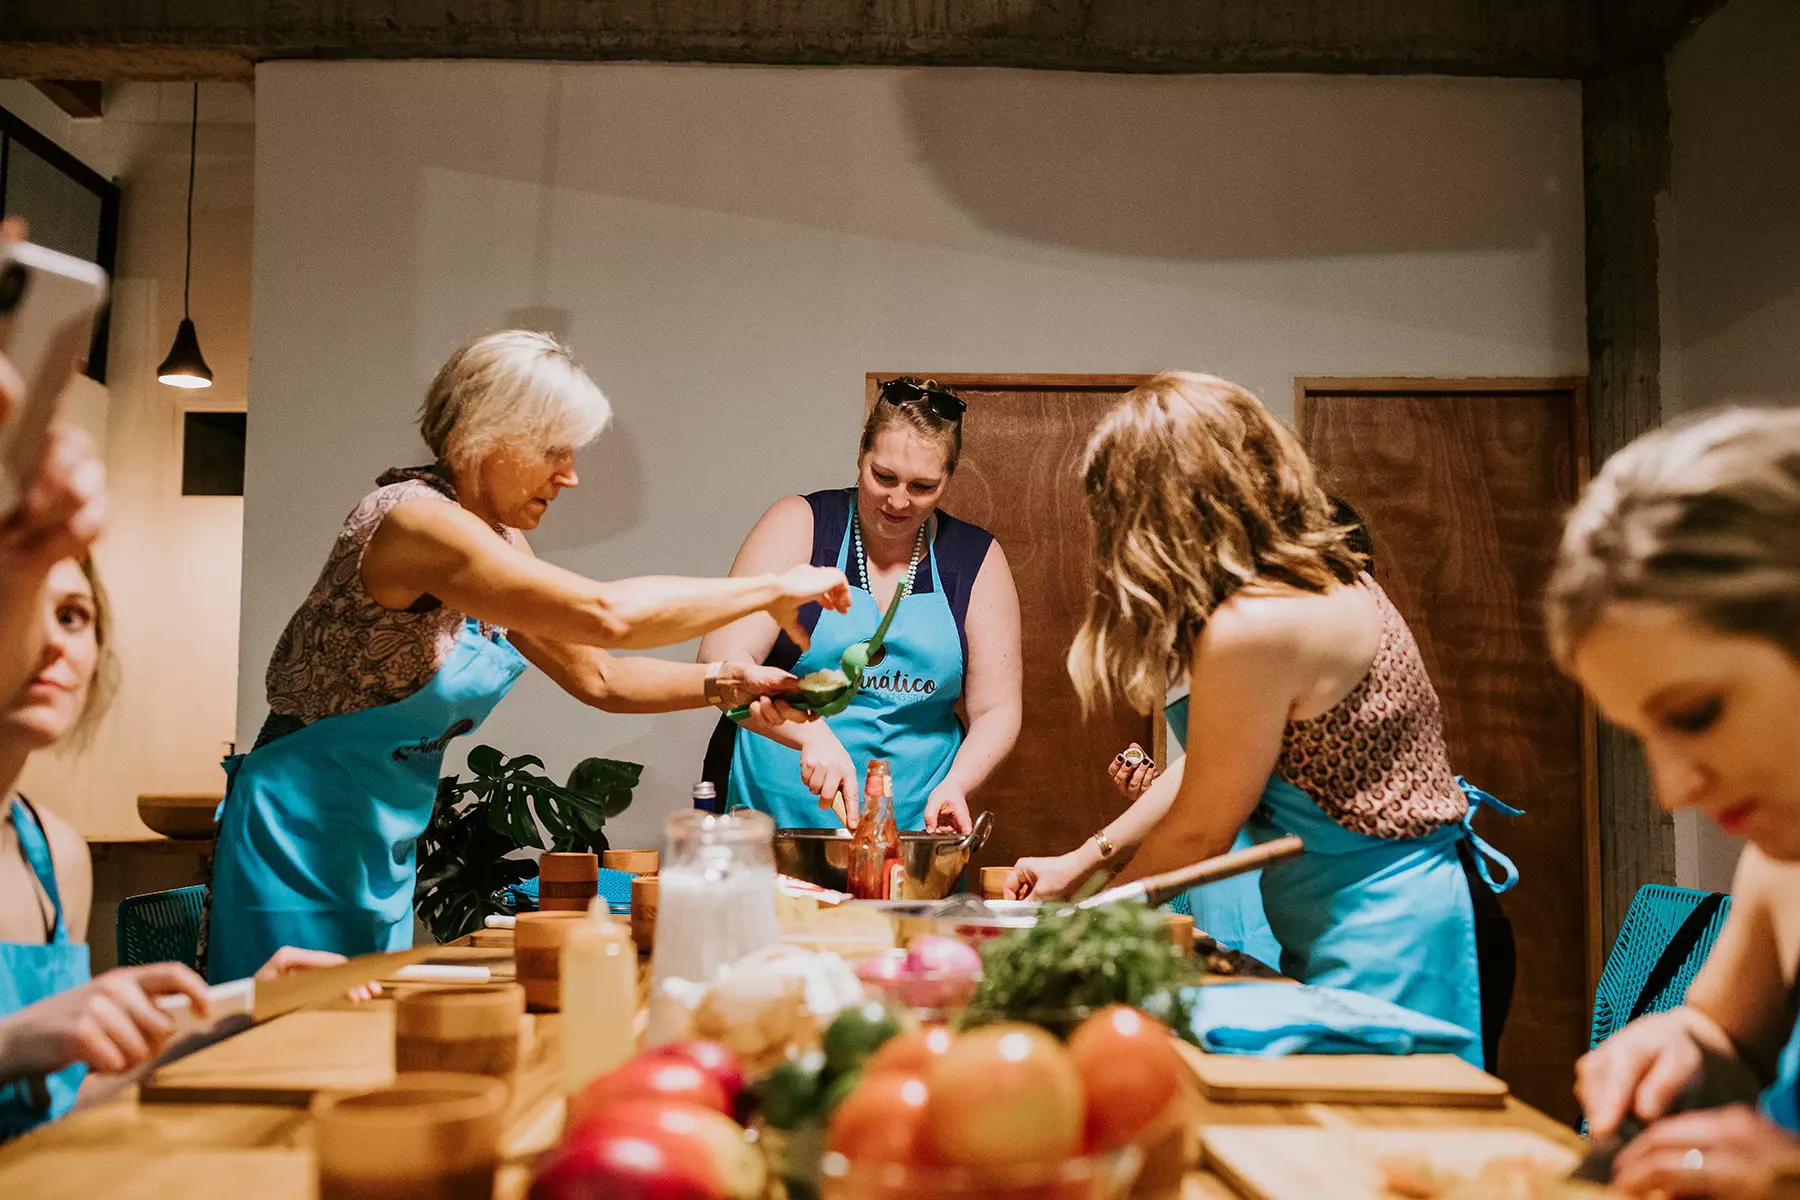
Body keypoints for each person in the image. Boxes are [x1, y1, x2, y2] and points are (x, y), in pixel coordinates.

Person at [205, 331, 851, 982]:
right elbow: (608, 616)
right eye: (554, 451)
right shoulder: (412, 523)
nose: (569, 475)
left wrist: (732, 684)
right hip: (296, 835)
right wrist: (771, 588)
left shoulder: (497, 540)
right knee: (282, 1055)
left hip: (379, 846)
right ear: (491, 434)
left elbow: (599, 676)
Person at [1006, 372, 1517, 1069]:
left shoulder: (1260, 623)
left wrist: (1076, 939)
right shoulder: (1310, 578)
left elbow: (1198, 830)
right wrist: (1083, 869)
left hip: (1396, 934)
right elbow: (1211, 769)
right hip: (1370, 914)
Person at [0, 557, 354, 1139]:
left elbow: (59, 1104)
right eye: (11, 605)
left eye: (72, 615)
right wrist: (14, 1042)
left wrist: (237, 1016)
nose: (51, 642)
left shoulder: (56, 856)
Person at [1551, 409, 1800, 1199]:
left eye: (1696, 715)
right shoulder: (1783, 860)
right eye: (1642, 736)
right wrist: (1677, 1043)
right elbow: (1726, 1034)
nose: (1673, 790)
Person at [698, 376, 1021, 832]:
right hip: (775, 817)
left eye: (923, 487)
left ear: (948, 479)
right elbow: (720, 664)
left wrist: (959, 784)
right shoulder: (801, 526)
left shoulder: (976, 559)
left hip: (912, 826)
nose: (898, 500)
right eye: (883, 476)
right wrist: (808, 733)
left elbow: (996, 710)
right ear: (861, 455)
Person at [1098, 499, 1376, 968]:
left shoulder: (1305, 643)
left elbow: (1201, 829)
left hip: (1358, 918)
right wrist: (1095, 853)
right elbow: (1205, 766)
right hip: (1296, 906)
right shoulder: (1263, 640)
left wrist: (1095, 903)